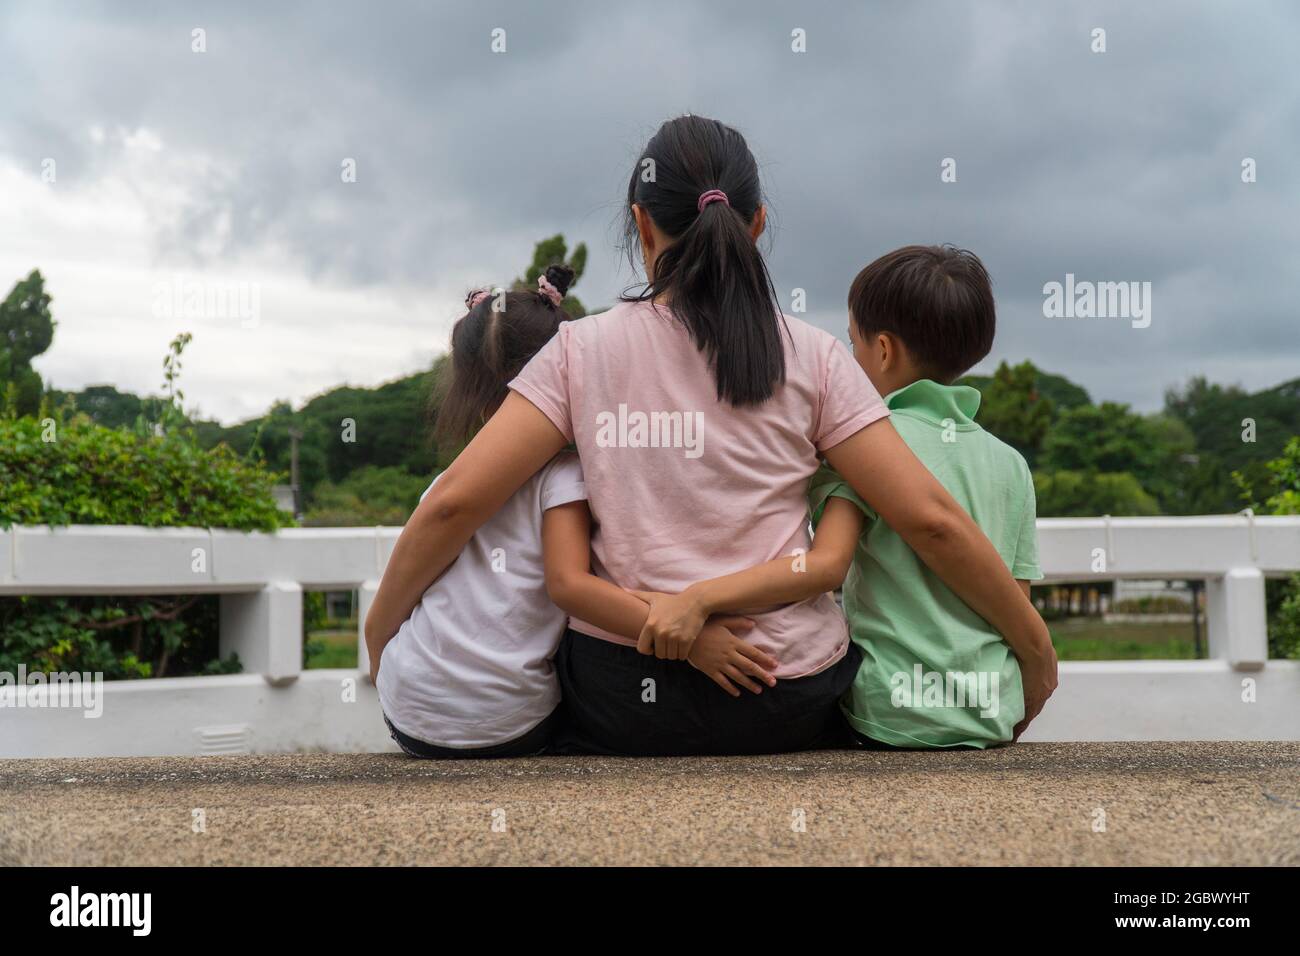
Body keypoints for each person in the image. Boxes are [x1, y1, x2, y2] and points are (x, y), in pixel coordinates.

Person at [366, 115, 1056, 756]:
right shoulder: (814, 356)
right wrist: (1035, 652)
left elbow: (456, 502)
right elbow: (931, 521)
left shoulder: (579, 351)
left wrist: (378, 635)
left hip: (627, 698)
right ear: (755, 223)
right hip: (782, 694)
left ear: (640, 225)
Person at [638, 245, 1054, 748]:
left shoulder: (862, 449)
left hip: (886, 712)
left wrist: (700, 598)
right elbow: (1013, 600)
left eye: (853, 342)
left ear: (882, 350)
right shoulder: (1011, 464)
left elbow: (825, 564)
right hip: (991, 713)